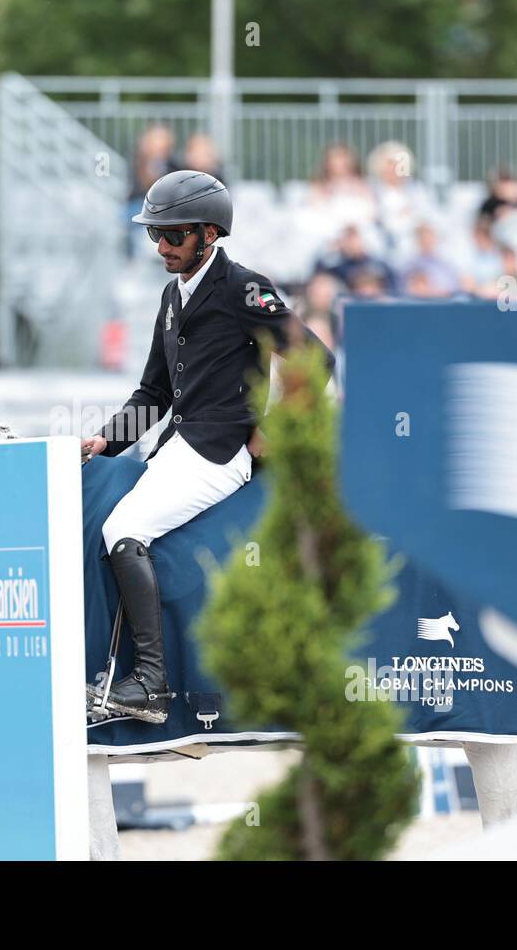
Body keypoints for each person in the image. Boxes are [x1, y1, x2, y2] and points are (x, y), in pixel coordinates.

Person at [80, 170, 333, 724]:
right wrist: (105, 440)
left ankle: (150, 683)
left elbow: (316, 359)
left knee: (122, 529)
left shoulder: (244, 287)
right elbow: (153, 392)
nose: (161, 246)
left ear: (209, 234)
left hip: (219, 450)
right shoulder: (171, 298)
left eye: (173, 235)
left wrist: (272, 428)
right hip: (175, 445)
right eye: (155, 236)